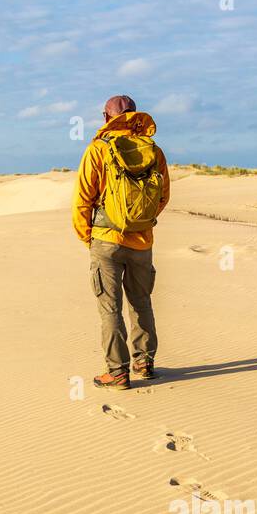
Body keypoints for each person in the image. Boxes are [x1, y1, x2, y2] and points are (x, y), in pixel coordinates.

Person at [72, 95, 170, 390]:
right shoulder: (154, 151)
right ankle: (144, 362)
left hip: (106, 241)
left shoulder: (98, 150)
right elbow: (162, 196)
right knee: (142, 302)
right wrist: (141, 224)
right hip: (143, 241)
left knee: (109, 309)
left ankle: (117, 372)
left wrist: (87, 236)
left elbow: (82, 200)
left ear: (106, 117)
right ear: (135, 115)